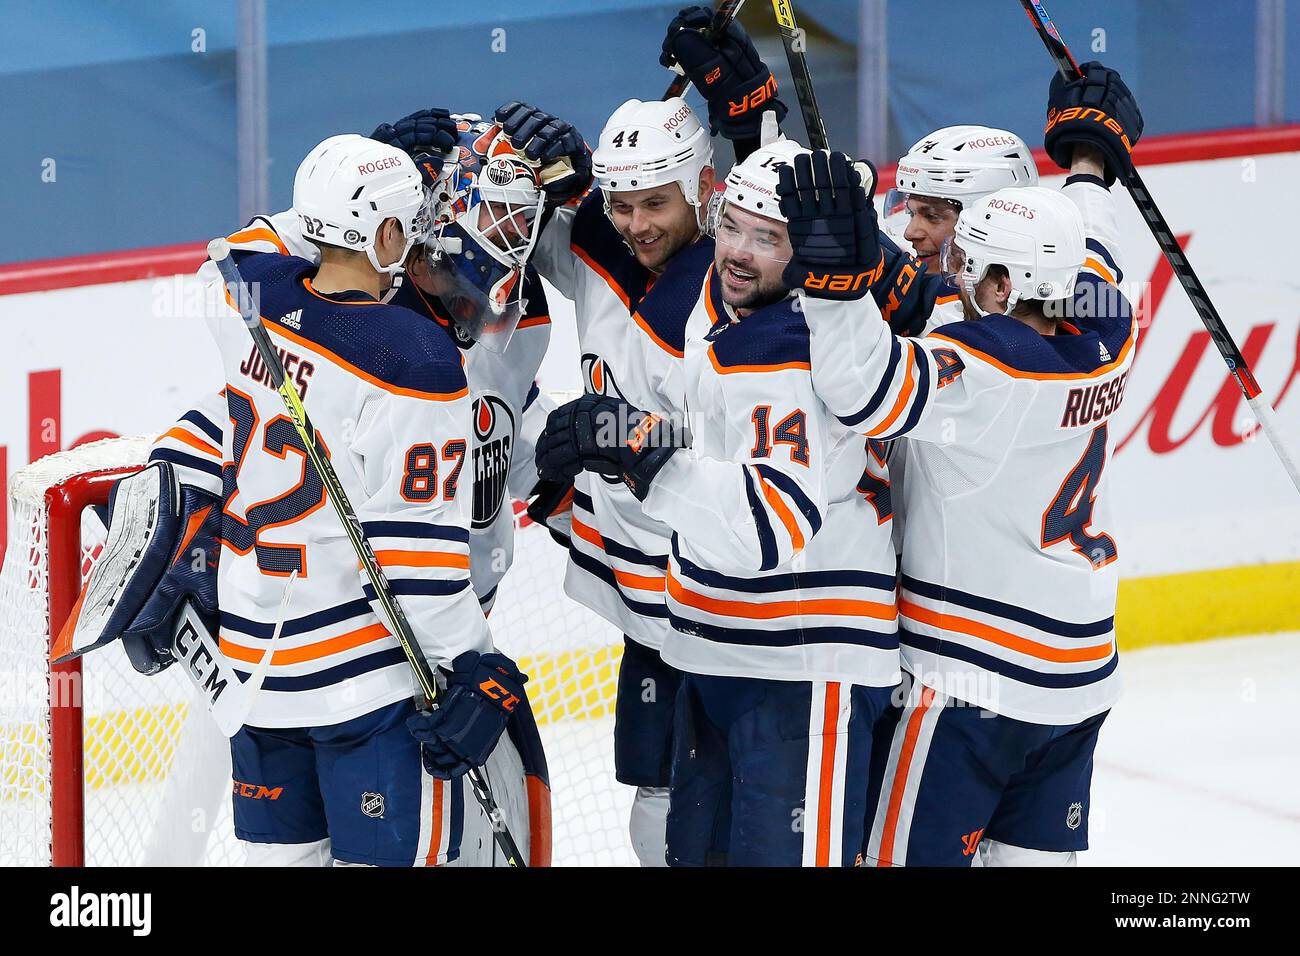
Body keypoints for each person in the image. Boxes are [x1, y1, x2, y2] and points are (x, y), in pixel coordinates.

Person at [779, 61, 1142, 866]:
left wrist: (839, 286)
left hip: (973, 678)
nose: (916, 234)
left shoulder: (979, 365)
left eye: (943, 221)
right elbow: (1096, 248)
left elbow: (862, 389)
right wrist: (1090, 163)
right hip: (1080, 671)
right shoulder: (1106, 324)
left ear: (999, 264)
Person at [539, 138, 903, 866]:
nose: (736, 251)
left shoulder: (791, 344)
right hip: (720, 650)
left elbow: (768, 526)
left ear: (808, 254)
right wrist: (630, 436)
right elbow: (725, 442)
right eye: (731, 225)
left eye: (766, 238)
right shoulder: (733, 323)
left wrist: (643, 450)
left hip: (802, 668)